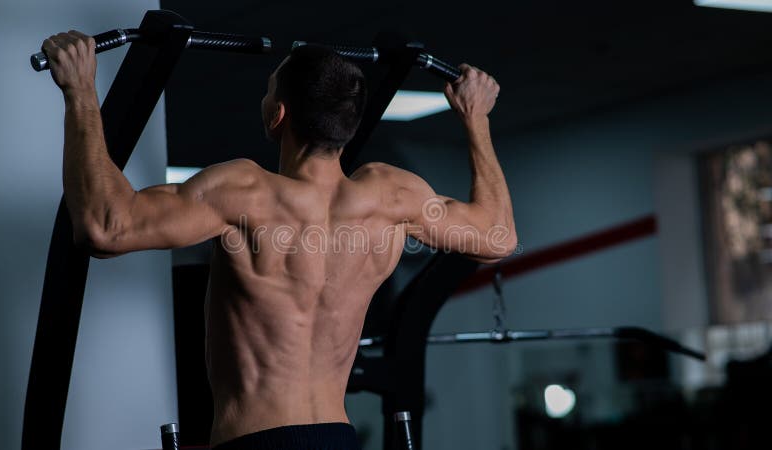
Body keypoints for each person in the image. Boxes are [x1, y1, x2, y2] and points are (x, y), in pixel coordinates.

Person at [42, 30, 517, 450]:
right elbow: (498, 236)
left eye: (269, 91)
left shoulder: (245, 192)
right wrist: (476, 119)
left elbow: (105, 226)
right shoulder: (393, 197)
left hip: (255, 440)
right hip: (338, 437)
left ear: (278, 114)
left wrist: (80, 90)